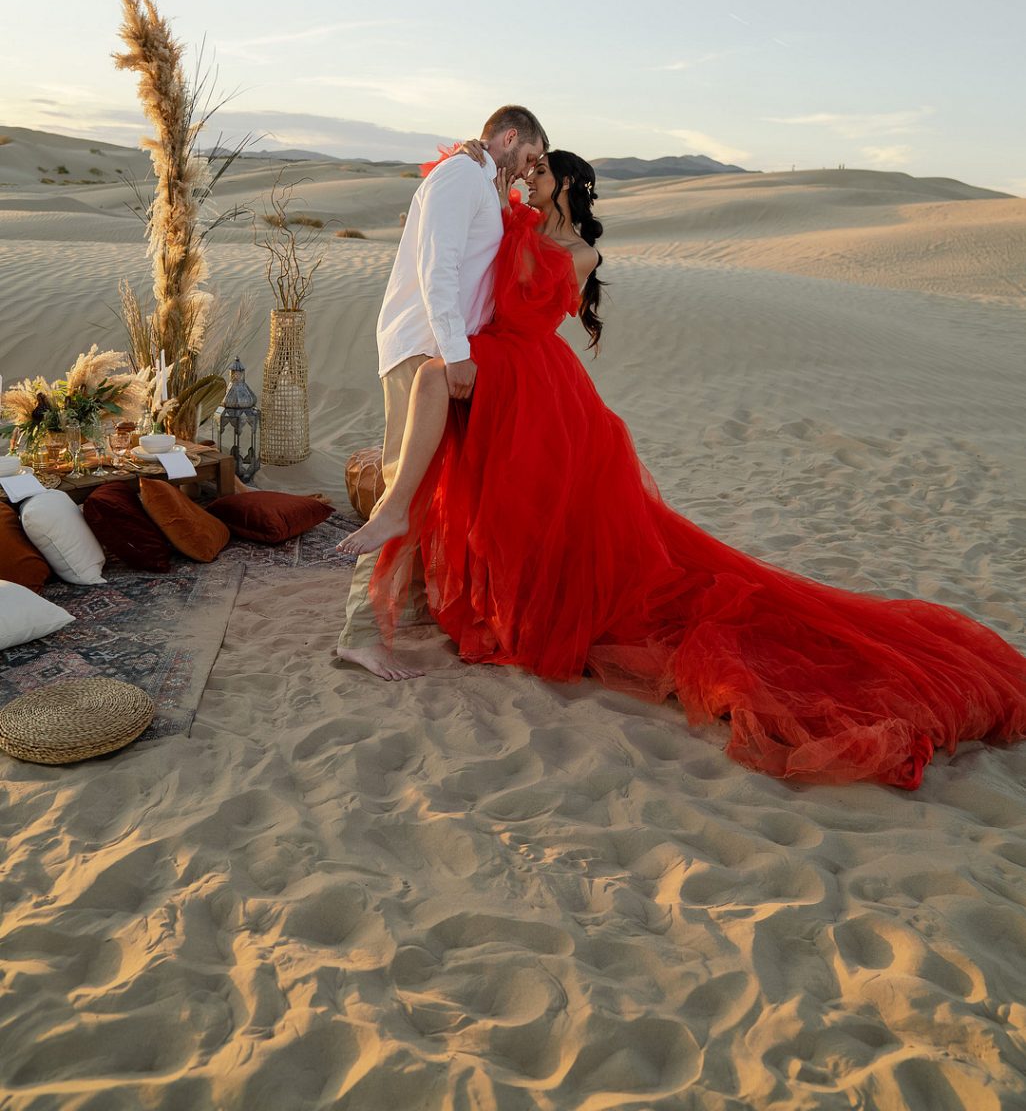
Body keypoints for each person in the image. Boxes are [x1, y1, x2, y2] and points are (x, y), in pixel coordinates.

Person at [340, 146, 1026, 788]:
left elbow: (523, 291)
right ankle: (413, 538)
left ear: (568, 185)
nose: (530, 177)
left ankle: (401, 522)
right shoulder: (513, 215)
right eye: (530, 169)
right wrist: (481, 169)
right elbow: (472, 236)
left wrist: (508, 214)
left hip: (530, 371)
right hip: (504, 363)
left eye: (542, 172)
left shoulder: (578, 251)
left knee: (465, 423)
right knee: (489, 484)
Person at [334, 106, 548, 679]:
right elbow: (439, 268)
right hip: (423, 349)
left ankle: (406, 607)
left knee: (431, 491)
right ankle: (359, 633)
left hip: (448, 352)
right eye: (528, 157)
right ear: (509, 136)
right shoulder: (459, 175)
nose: (528, 170)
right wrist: (455, 353)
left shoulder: (481, 178)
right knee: (402, 490)